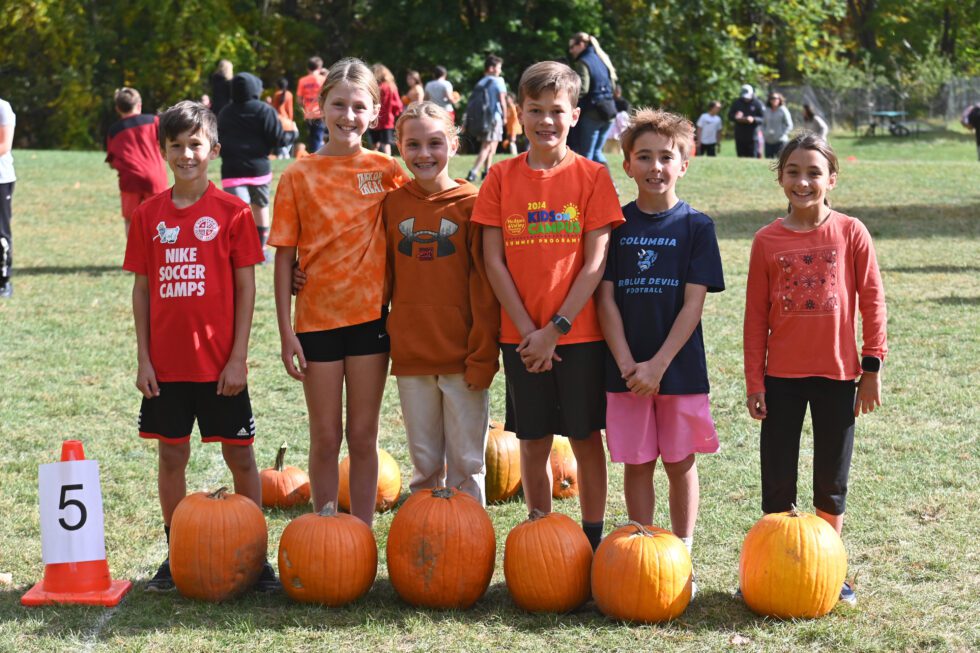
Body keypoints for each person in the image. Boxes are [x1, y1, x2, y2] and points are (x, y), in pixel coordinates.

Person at [122, 100, 274, 592]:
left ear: (214, 149)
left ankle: (255, 557)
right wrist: (144, 358)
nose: (187, 154)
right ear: (163, 149)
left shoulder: (232, 212)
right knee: (171, 457)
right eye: (177, 146)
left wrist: (237, 358)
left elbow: (247, 288)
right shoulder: (148, 215)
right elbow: (142, 289)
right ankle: (176, 550)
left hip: (219, 367)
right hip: (166, 369)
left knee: (243, 458)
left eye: (196, 145)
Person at [472, 61, 624, 550]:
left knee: (584, 438)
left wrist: (555, 328)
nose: (546, 120)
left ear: (575, 115)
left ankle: (594, 538)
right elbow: (493, 261)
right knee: (532, 440)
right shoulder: (499, 177)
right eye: (535, 110)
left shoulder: (593, 176)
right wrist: (527, 331)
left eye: (556, 110)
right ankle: (541, 534)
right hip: (520, 338)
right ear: (519, 112)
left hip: (578, 336)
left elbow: (596, 260)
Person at [743, 133, 887, 606]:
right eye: (793, 172)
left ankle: (831, 571)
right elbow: (755, 317)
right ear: (780, 177)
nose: (803, 181)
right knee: (777, 475)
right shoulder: (767, 240)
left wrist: (871, 368)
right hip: (782, 378)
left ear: (831, 179)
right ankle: (770, 568)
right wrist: (755, 380)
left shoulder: (850, 232)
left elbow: (872, 301)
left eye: (813, 173)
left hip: (839, 375)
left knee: (832, 475)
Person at [269, 58, 408, 526]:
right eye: (339, 105)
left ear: (375, 113)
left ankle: (362, 535)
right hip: (316, 324)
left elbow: (416, 224)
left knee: (363, 436)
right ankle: (326, 528)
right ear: (319, 107)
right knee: (326, 437)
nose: (348, 116)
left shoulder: (388, 170)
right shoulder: (297, 176)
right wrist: (286, 332)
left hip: (372, 321)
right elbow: (284, 256)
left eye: (359, 107)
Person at [596, 109, 724, 594]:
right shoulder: (615, 226)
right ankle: (641, 547)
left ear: (685, 163)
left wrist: (658, 366)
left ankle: (681, 556)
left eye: (666, 157)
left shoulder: (697, 227)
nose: (655, 167)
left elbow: (693, 306)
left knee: (680, 461)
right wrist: (630, 364)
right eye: (644, 157)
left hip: (679, 369)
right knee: (637, 462)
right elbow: (605, 299)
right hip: (626, 370)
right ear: (627, 164)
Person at [384, 102, 499, 503]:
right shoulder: (393, 205)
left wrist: (483, 355)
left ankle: (469, 539)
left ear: (453, 144)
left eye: (435, 143)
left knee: (467, 463)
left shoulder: (472, 203)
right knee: (424, 462)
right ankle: (425, 543)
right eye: (413, 144)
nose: (424, 154)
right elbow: (380, 276)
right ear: (399, 147)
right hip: (412, 352)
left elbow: (485, 287)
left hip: (463, 354)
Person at [217, 72, 284, 261]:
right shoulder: (265, 110)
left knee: (236, 213)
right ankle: (261, 249)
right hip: (259, 170)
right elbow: (276, 138)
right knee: (260, 207)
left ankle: (237, 251)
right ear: (256, 88)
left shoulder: (225, 112)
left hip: (232, 170)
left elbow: (217, 138)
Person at [105, 87, 169, 236]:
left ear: (117, 109)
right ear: (139, 105)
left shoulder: (114, 130)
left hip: (130, 180)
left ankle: (135, 257)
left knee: (130, 220)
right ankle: (159, 255)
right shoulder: (154, 121)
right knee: (159, 219)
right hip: (155, 178)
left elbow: (112, 161)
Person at [567, 32, 618, 167]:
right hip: (610, 111)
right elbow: (612, 86)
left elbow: (583, 89)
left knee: (586, 154)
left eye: (572, 47)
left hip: (593, 113)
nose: (571, 51)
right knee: (597, 153)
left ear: (581, 44)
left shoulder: (583, 62)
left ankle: (585, 187)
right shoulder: (602, 59)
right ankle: (610, 185)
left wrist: (567, 100)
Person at [464, 55, 507, 182]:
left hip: (482, 118)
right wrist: (505, 116)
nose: (500, 70)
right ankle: (474, 171)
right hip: (494, 117)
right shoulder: (498, 81)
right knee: (487, 146)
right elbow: (502, 100)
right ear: (492, 68)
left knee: (492, 144)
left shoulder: (481, 82)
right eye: (499, 67)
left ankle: (487, 171)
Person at [370, 64, 404, 156]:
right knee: (386, 143)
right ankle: (388, 161)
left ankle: (372, 161)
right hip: (387, 120)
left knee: (375, 144)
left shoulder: (373, 87)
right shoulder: (391, 87)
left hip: (374, 118)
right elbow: (398, 105)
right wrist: (395, 113)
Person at [0, 96, 14, 298]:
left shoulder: (3, 107)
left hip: (1, 179)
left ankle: (3, 281)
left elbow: (4, 145)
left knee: (0, 232)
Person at [296, 56, 326, 152]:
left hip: (308, 114)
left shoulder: (302, 80)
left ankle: (313, 158)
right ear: (320, 68)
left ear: (308, 68)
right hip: (320, 113)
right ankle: (316, 159)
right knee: (317, 137)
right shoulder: (324, 80)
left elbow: (299, 100)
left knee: (312, 138)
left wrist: (305, 107)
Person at [728, 84, 765, 158]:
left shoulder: (758, 103)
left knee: (753, 156)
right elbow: (730, 115)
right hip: (740, 135)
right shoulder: (737, 103)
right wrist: (736, 117)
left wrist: (753, 119)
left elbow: (763, 118)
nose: (746, 98)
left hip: (753, 136)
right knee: (740, 156)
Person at [271, 77, 299, 159]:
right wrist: (291, 121)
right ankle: (285, 155)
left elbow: (274, 109)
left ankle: (284, 155)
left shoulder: (276, 94)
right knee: (288, 142)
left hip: (278, 121)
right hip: (287, 121)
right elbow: (290, 110)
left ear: (277, 86)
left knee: (280, 142)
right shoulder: (289, 94)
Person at [762, 92, 793, 159]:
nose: (774, 100)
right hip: (768, 140)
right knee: (768, 161)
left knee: (781, 161)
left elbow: (789, 125)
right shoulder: (766, 110)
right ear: (769, 100)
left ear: (779, 99)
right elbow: (763, 124)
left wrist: (782, 133)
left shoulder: (783, 110)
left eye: (776, 98)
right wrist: (764, 133)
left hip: (780, 141)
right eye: (772, 98)